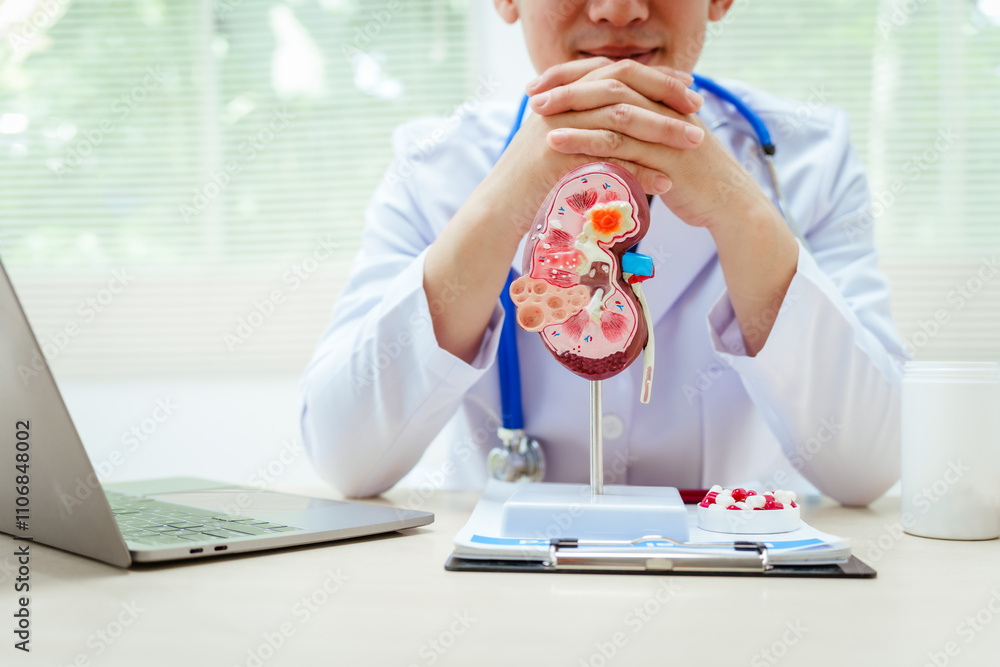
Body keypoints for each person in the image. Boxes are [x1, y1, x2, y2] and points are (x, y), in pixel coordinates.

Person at [300, 0, 908, 505]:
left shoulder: (810, 159)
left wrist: (741, 211)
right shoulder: (435, 167)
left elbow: (872, 465)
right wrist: (503, 202)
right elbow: (345, 458)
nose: (619, 11)